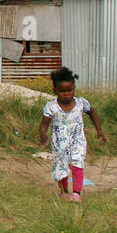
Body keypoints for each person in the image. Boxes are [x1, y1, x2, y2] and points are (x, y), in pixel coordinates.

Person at [38, 67, 107, 202]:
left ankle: (76, 193)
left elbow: (92, 113)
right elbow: (44, 124)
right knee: (61, 167)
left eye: (69, 90)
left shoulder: (81, 103)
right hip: (59, 144)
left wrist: (99, 131)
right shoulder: (52, 107)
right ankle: (64, 192)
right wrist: (43, 135)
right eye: (62, 91)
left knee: (77, 164)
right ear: (55, 91)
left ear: (74, 88)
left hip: (77, 141)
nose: (66, 94)